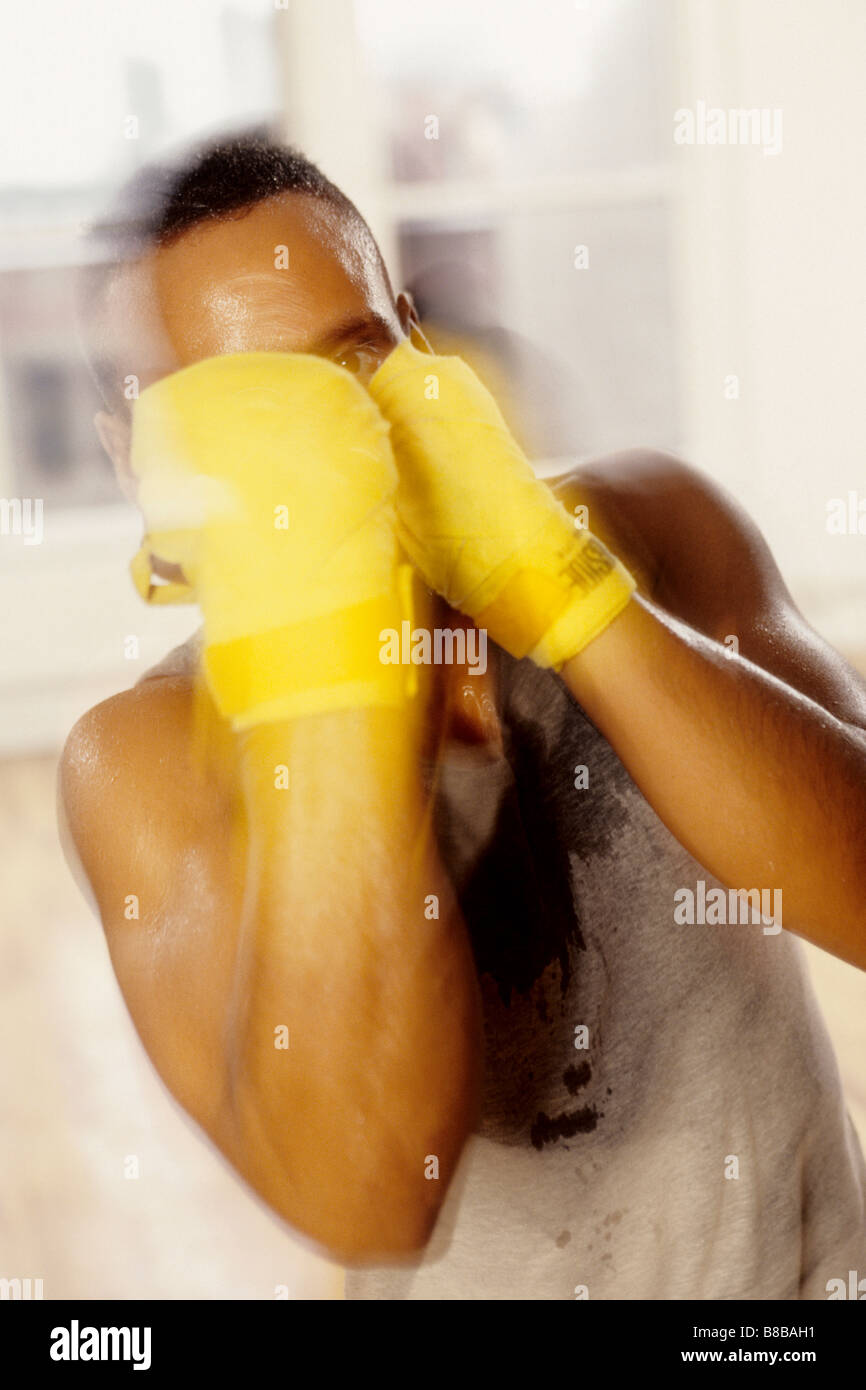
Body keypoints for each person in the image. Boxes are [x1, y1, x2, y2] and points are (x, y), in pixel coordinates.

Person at [59, 128, 866, 1300]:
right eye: (248, 421)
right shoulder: (142, 758)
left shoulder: (649, 526)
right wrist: (322, 651)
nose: (325, 448)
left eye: (349, 369)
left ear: (414, 341)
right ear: (136, 462)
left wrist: (570, 594)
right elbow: (369, 1186)